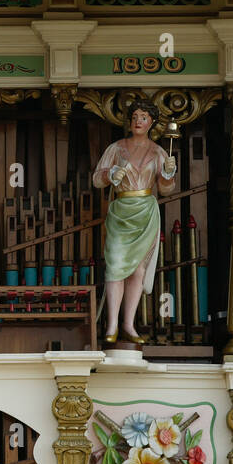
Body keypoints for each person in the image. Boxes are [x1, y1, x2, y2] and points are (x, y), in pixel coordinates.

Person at [91, 98, 178, 346]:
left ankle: (128, 324)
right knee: (115, 266)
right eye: (135, 116)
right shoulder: (116, 148)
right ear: (130, 121)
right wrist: (110, 174)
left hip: (146, 212)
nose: (138, 121)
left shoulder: (159, 152)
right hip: (121, 210)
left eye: (143, 117)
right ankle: (112, 324)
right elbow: (97, 179)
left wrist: (169, 173)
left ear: (151, 122)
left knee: (138, 269)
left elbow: (165, 189)